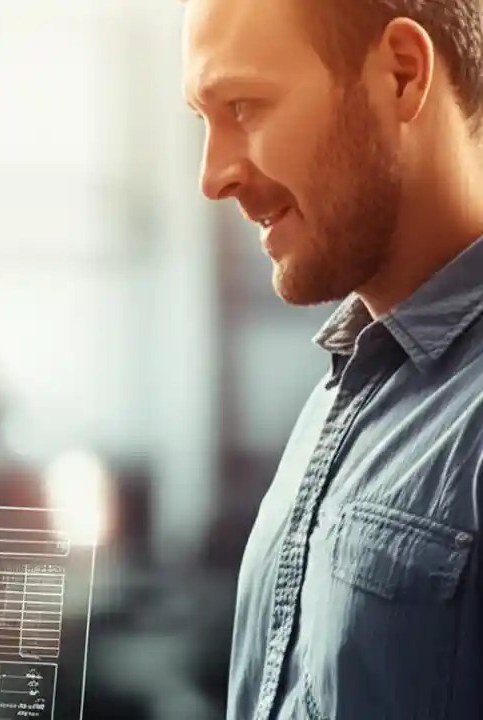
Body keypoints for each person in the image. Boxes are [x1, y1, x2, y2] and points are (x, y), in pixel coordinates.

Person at [182, 0, 483, 718]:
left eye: (245, 105)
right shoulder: (342, 393)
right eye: (204, 119)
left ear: (402, 75)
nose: (213, 176)